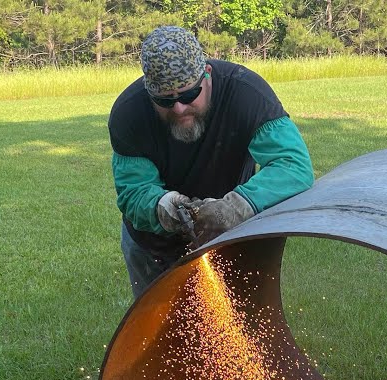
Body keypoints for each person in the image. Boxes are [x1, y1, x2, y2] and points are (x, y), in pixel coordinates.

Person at [108, 25, 315, 296]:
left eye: (188, 94)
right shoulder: (128, 114)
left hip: (231, 233)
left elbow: (292, 165)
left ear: (206, 74)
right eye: (165, 101)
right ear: (149, 92)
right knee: (160, 321)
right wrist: (164, 207)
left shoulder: (246, 94)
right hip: (153, 246)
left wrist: (235, 207)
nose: (179, 108)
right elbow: (134, 191)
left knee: (238, 314)